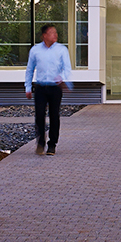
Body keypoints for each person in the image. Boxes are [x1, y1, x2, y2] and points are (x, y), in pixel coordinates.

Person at [23, 22, 73, 155]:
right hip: (40, 87)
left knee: (54, 115)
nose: (55, 35)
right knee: (39, 115)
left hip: (55, 88)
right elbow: (29, 69)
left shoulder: (62, 50)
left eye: (56, 32)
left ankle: (52, 145)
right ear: (44, 35)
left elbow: (67, 68)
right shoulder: (35, 50)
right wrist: (28, 87)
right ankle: (40, 143)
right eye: (52, 33)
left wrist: (61, 77)